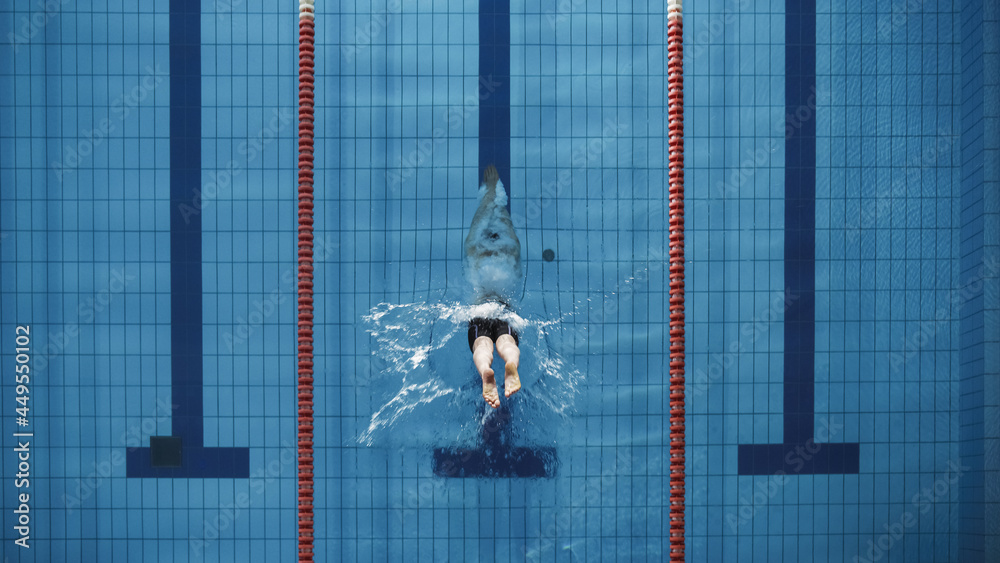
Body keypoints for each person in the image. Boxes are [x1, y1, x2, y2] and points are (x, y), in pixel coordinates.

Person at [463, 165, 523, 408]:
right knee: (507, 343)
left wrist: (489, 193)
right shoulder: (512, 250)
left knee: (481, 345)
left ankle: (485, 368)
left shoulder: (473, 250)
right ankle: (510, 362)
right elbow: (509, 230)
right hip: (505, 310)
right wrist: (501, 204)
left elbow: (477, 226)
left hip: (479, 311)